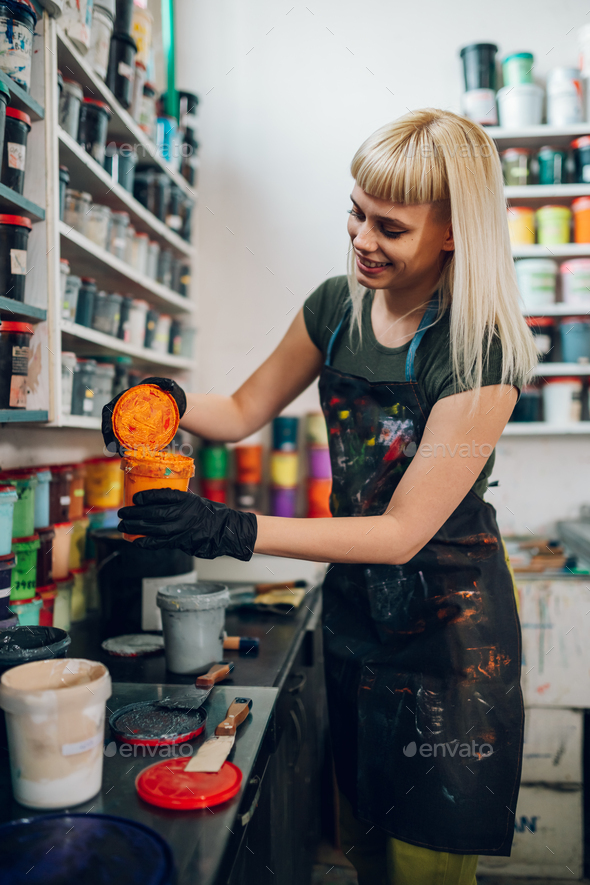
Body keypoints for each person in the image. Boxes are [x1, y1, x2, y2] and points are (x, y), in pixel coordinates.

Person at [104, 108, 537, 885]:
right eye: (357, 212)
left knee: (424, 865)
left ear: (452, 233)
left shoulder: (479, 353)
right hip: (356, 614)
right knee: (364, 844)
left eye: (391, 227)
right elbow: (242, 410)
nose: (362, 238)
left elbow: (401, 532)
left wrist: (231, 528)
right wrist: (166, 399)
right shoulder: (336, 308)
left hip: (448, 640)